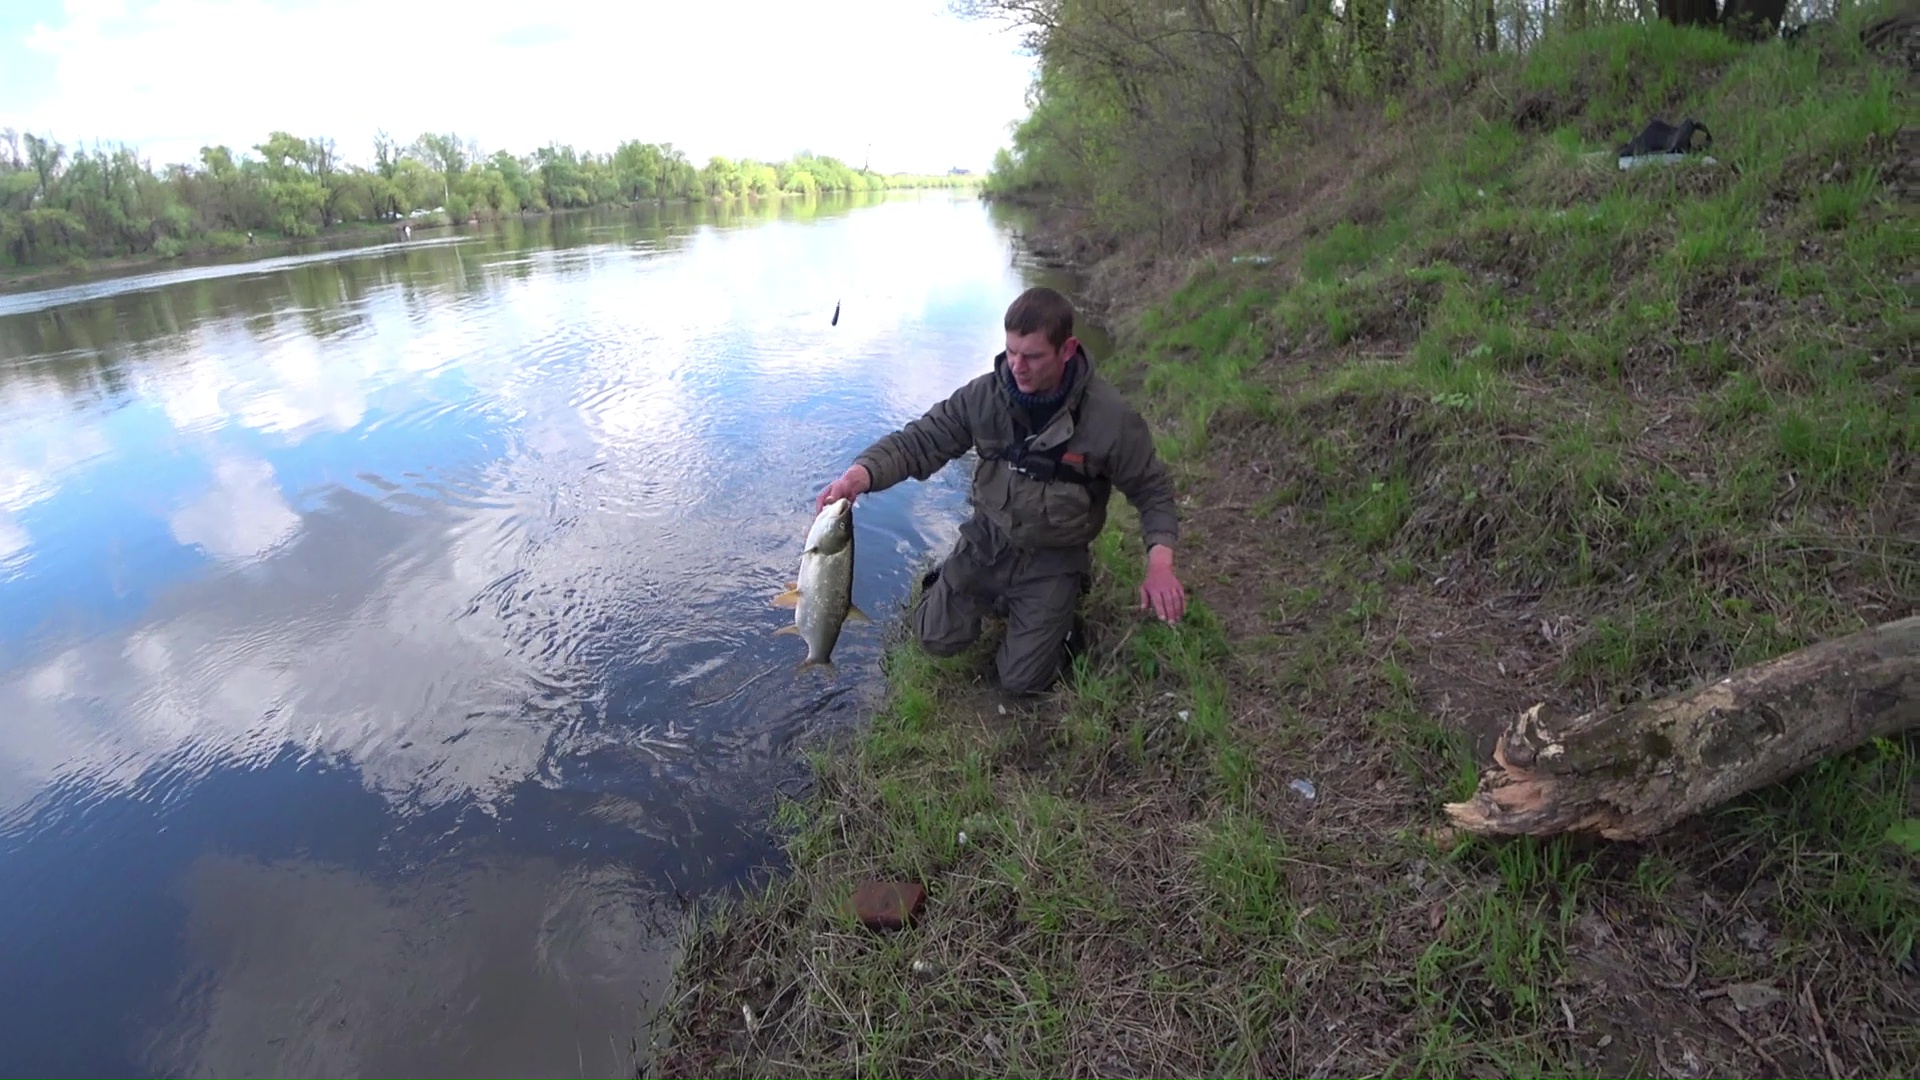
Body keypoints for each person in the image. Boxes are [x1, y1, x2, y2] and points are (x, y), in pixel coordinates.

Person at [814, 286, 1186, 696]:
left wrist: (1160, 566)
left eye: (1032, 356)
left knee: (1021, 681)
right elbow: (919, 442)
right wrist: (860, 474)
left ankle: (1060, 614)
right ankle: (974, 589)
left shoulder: (1109, 418)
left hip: (1053, 556)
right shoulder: (985, 396)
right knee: (934, 637)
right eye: (1010, 352)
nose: (1017, 367)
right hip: (988, 540)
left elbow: (1152, 490)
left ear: (1067, 350)